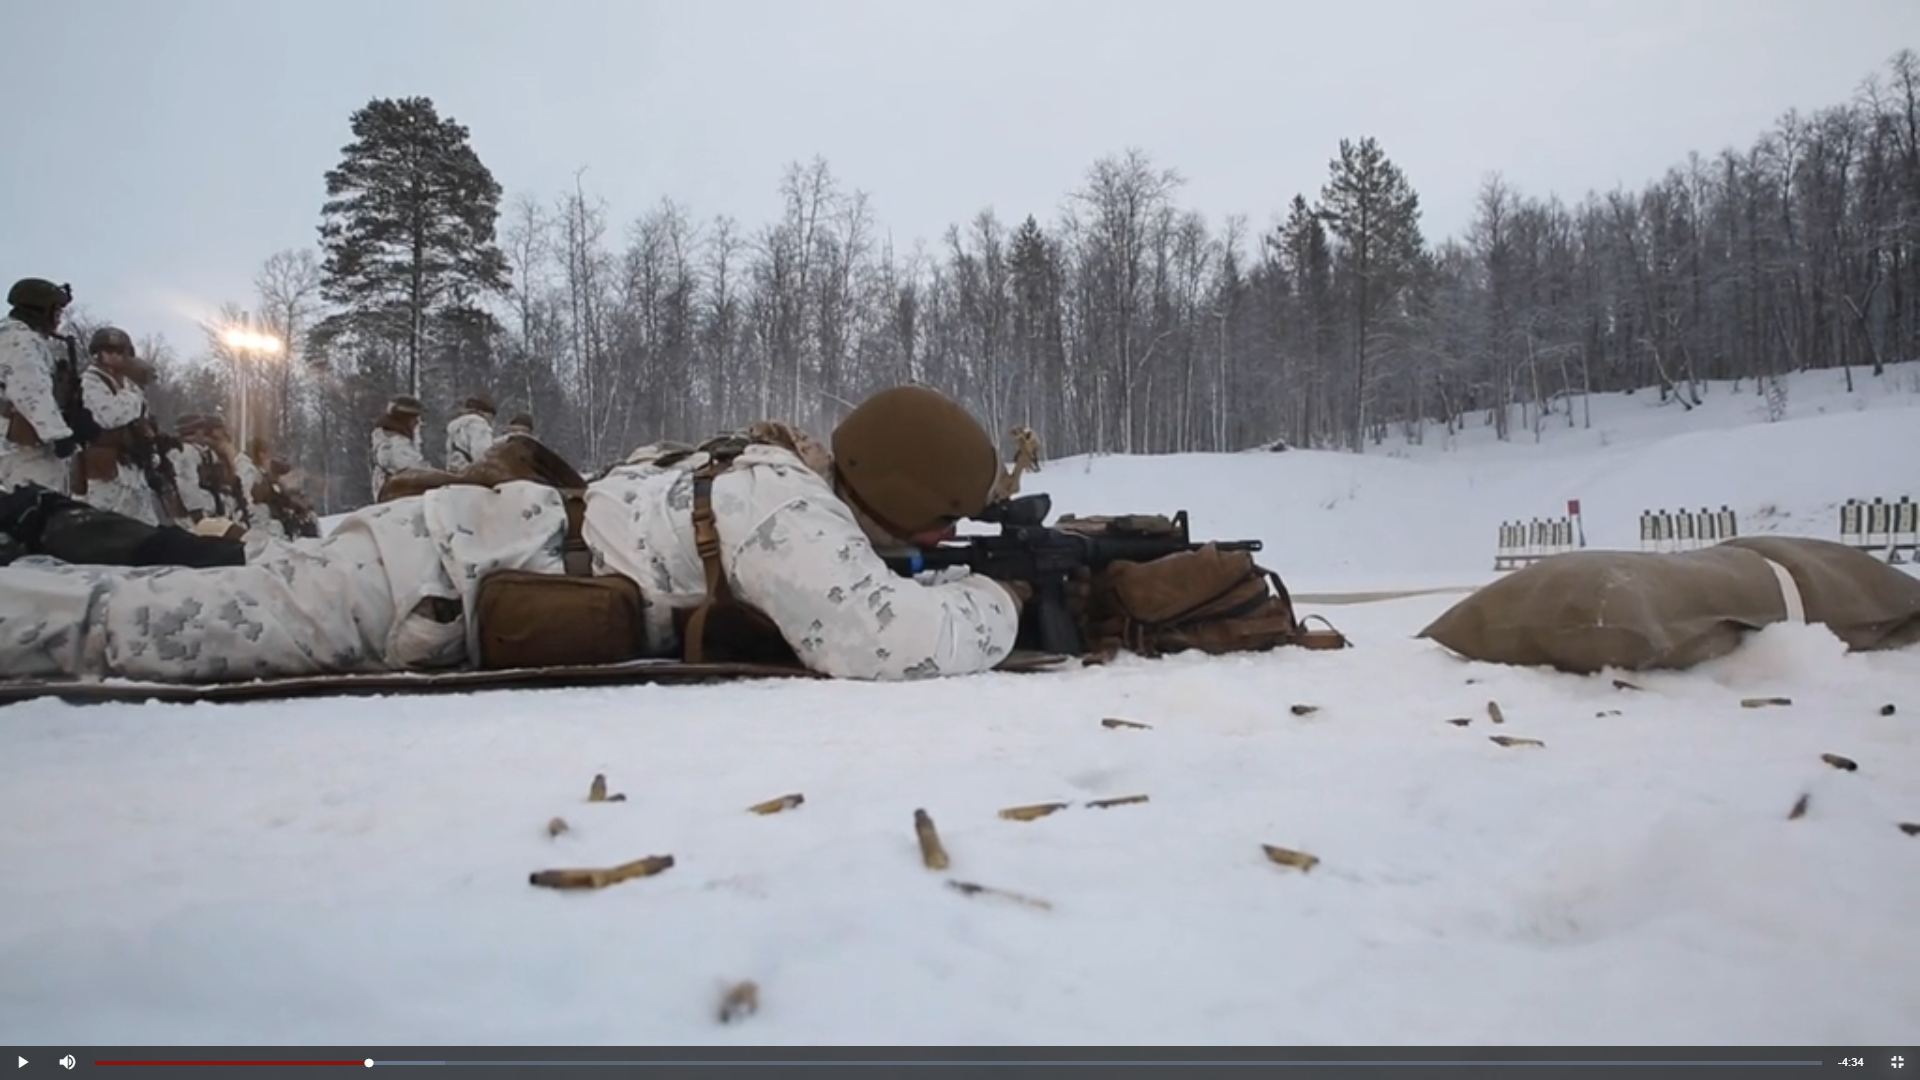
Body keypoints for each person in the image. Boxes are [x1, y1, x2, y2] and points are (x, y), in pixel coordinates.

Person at [0, 385, 1024, 684]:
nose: (940, 536)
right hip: (418, 577)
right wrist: (1000, 603)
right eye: (940, 519)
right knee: (139, 633)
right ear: (896, 496)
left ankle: (43, 538)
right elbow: (883, 641)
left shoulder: (769, 472)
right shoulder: (790, 511)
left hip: (447, 547)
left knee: (226, 571)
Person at [0, 278, 95, 494]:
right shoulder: (22, 341)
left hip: (17, 447)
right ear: (42, 311)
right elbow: (30, 391)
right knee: (37, 511)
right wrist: (59, 434)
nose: (59, 320)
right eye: (57, 312)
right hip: (22, 451)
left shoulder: (12, 336)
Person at [73, 327, 164, 525]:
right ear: (98, 353)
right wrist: (134, 393)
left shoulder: (127, 384)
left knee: (146, 527)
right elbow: (110, 416)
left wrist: (150, 451)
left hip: (132, 468)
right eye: (108, 351)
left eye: (120, 352)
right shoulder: (92, 381)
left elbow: (141, 423)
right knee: (105, 527)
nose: (114, 356)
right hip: (105, 469)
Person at [369, 395, 426, 499]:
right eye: (414, 418)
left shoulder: (385, 439)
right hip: (401, 504)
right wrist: (454, 478)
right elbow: (420, 473)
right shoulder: (395, 444)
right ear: (404, 419)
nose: (417, 422)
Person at [444, 395, 496, 471]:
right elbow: (482, 453)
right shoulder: (479, 425)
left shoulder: (456, 427)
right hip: (472, 474)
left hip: (454, 471)